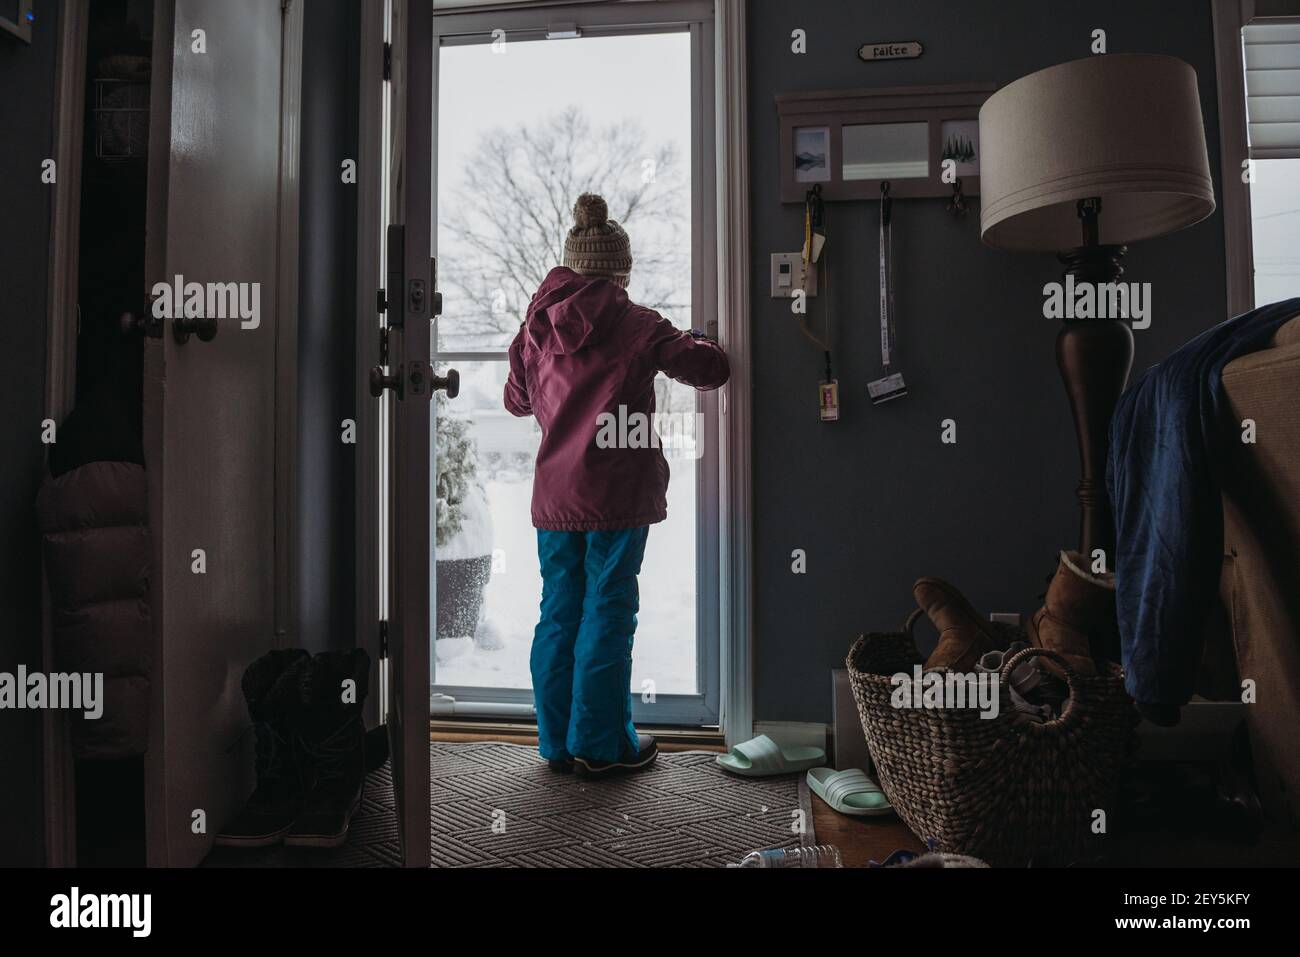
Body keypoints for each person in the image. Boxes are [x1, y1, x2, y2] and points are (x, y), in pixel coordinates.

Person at [504, 193, 730, 778]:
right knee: (608, 608)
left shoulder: (536, 326)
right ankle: (602, 745)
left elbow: (516, 400)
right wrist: (697, 338)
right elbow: (710, 370)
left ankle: (556, 744)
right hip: (616, 497)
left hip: (556, 496)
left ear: (570, 263)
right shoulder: (637, 324)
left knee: (558, 611)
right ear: (620, 271)